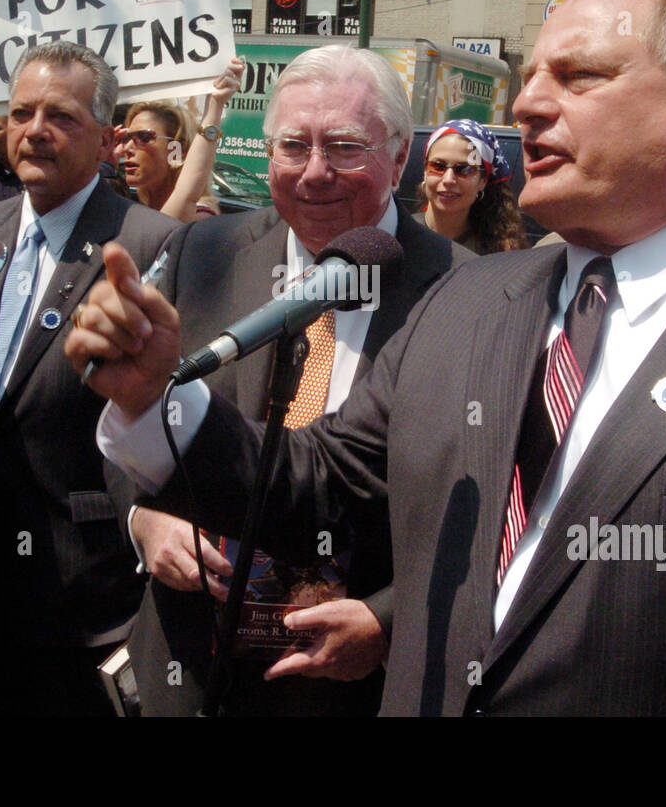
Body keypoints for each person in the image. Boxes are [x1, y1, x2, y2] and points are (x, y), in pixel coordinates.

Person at [70, 0, 666, 716]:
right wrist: (160, 398)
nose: (530, 106)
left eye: (579, 78)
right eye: (532, 77)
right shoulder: (471, 302)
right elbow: (315, 485)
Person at [95, 44, 471, 717]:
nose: (315, 173)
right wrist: (142, 516)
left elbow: (485, 493)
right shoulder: (201, 252)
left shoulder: (465, 287)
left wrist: (388, 619)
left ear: (399, 151)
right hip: (198, 660)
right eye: (293, 146)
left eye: (346, 147)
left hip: (359, 684)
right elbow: (134, 412)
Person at [0, 40, 177, 716]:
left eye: (60, 116)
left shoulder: (153, 242)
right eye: (20, 113)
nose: (35, 130)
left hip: (90, 597)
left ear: (106, 138)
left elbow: (171, 412)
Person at [117, 57, 243, 222]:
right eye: (126, 138)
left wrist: (215, 105)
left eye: (143, 137)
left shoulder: (198, 217)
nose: (127, 148)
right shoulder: (137, 209)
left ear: (180, 150)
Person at [418, 119, 528, 254]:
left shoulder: (499, 253)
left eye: (464, 170)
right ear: (425, 172)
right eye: (438, 166)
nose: (448, 179)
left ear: (483, 181)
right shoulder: (396, 235)